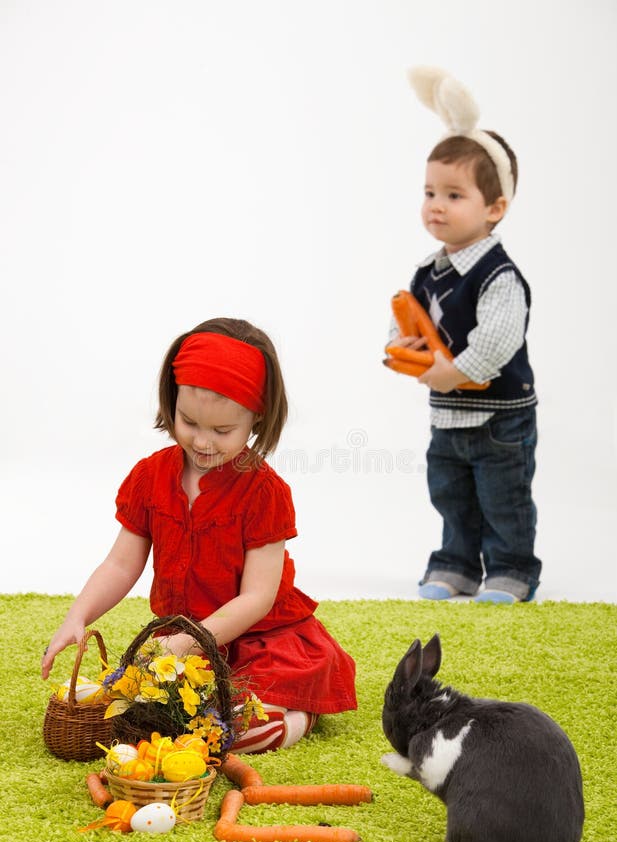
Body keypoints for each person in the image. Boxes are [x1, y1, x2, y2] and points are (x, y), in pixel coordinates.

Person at [42, 317, 357, 751]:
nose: (203, 442)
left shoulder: (265, 492)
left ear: (256, 418)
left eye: (223, 431)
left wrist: (187, 641)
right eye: (189, 422)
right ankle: (251, 704)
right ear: (171, 403)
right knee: (146, 715)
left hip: (258, 636)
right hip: (182, 638)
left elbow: (257, 598)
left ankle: (301, 709)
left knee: (236, 731)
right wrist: (78, 616)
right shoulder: (150, 476)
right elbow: (120, 563)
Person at [387, 67, 541, 604]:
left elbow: (499, 339)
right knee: (451, 494)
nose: (436, 204)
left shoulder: (499, 275)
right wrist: (405, 348)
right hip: (447, 414)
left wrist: (457, 371)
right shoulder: (428, 271)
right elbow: (407, 317)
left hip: (499, 415)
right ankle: (455, 563)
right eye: (430, 191)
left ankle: (511, 568)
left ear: (494, 208)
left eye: (454, 194)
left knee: (503, 496)